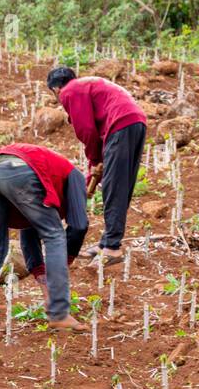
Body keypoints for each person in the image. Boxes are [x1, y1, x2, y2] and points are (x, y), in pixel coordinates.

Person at [0, 144, 88, 340]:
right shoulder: (77, 178)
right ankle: (60, 313)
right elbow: (79, 226)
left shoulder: (48, 181)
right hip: (21, 170)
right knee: (55, 235)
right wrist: (63, 264)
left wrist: (45, 279)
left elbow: (28, 234)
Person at [47, 67, 147, 265]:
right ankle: (107, 242)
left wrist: (94, 160)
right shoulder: (87, 84)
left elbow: (86, 130)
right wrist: (97, 164)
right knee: (120, 186)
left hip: (120, 124)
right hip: (136, 122)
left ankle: (112, 248)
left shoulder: (69, 91)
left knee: (114, 187)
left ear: (56, 89)